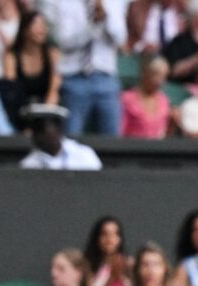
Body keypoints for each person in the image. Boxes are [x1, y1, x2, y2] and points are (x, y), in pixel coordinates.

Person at [48, 0, 127, 135]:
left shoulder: (113, 2)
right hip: (74, 79)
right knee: (71, 139)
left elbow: (120, 38)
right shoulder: (64, 3)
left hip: (106, 79)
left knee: (112, 141)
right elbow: (64, 40)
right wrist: (93, 26)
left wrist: (105, 18)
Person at [19, 103, 104, 170]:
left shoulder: (84, 155)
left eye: (43, 130)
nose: (39, 136)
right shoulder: (29, 164)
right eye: (35, 131)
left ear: (58, 130)